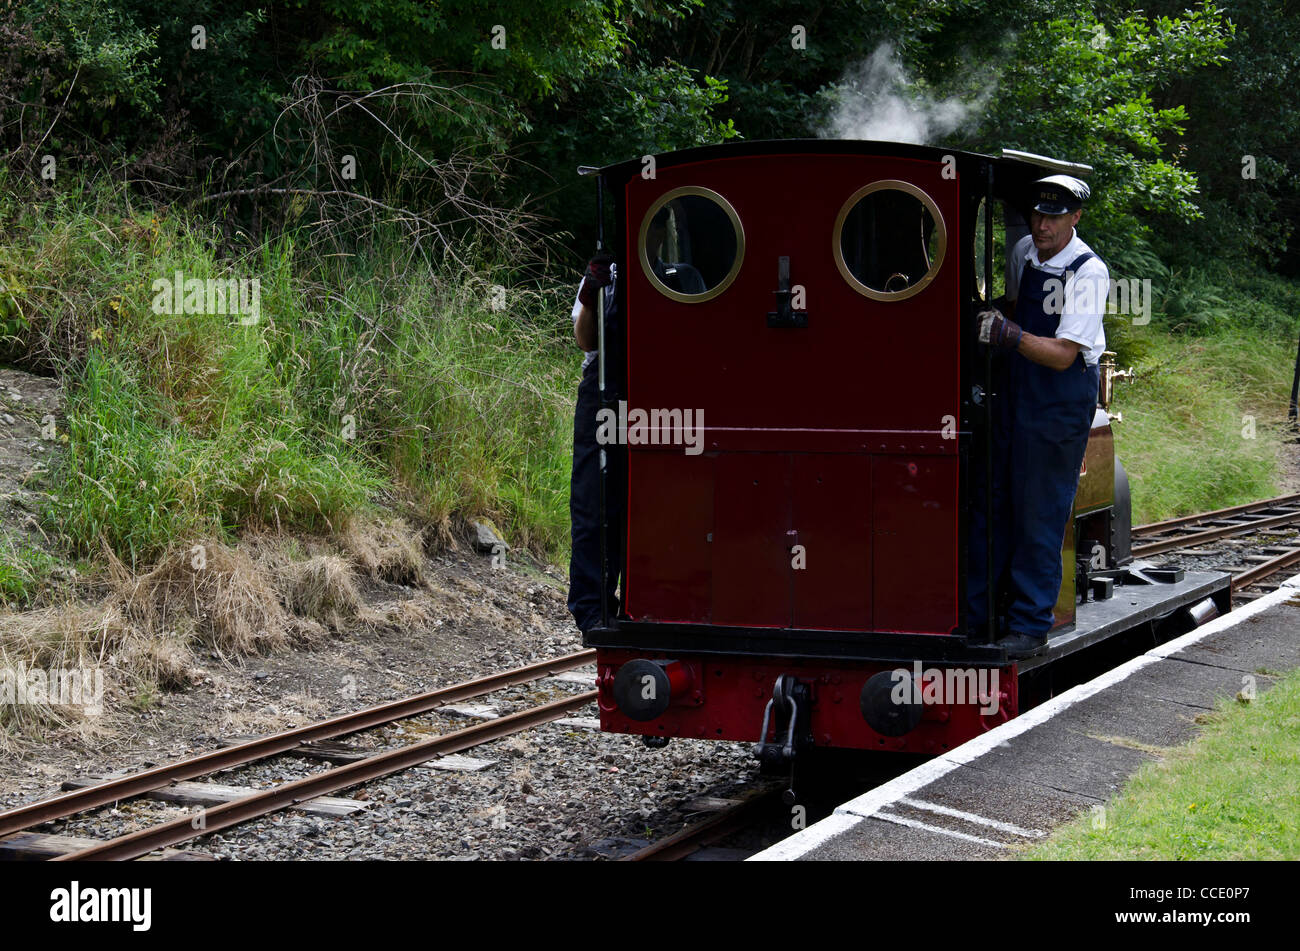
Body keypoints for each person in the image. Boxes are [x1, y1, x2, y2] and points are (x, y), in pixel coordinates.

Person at [969, 174, 1109, 658]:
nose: (1041, 224)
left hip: (1059, 395)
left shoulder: (1089, 272)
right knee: (997, 498)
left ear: (1075, 218)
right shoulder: (1025, 250)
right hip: (1018, 389)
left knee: (1040, 508)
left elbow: (1064, 354)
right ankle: (980, 614)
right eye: (1037, 214)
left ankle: (1031, 626)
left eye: (1052, 216)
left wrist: (1008, 336)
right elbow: (1012, 306)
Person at [568, 253, 625, 634]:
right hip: (605, 385)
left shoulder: (678, 271)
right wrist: (591, 291)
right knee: (593, 501)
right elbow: (585, 340)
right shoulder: (606, 274)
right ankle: (594, 608)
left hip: (661, 390)